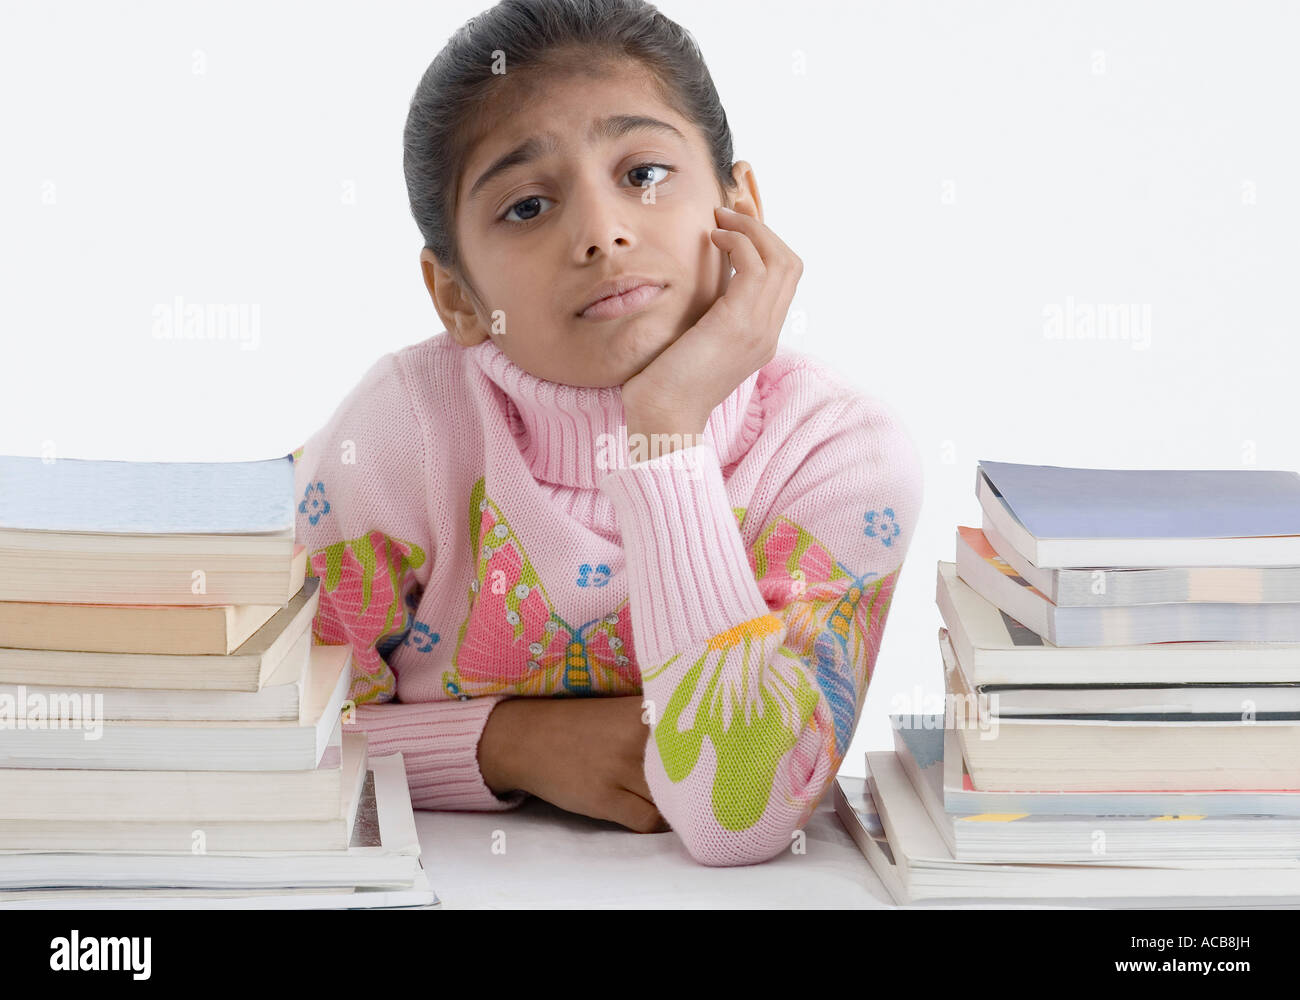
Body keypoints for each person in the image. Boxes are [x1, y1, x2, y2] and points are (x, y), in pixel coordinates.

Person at [291, 0, 923, 867]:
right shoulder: (400, 430)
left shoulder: (840, 453)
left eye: (646, 174)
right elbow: (268, 738)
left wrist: (667, 427)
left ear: (741, 205)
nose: (602, 232)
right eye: (527, 206)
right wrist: (507, 745)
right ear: (456, 297)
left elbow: (740, 813)